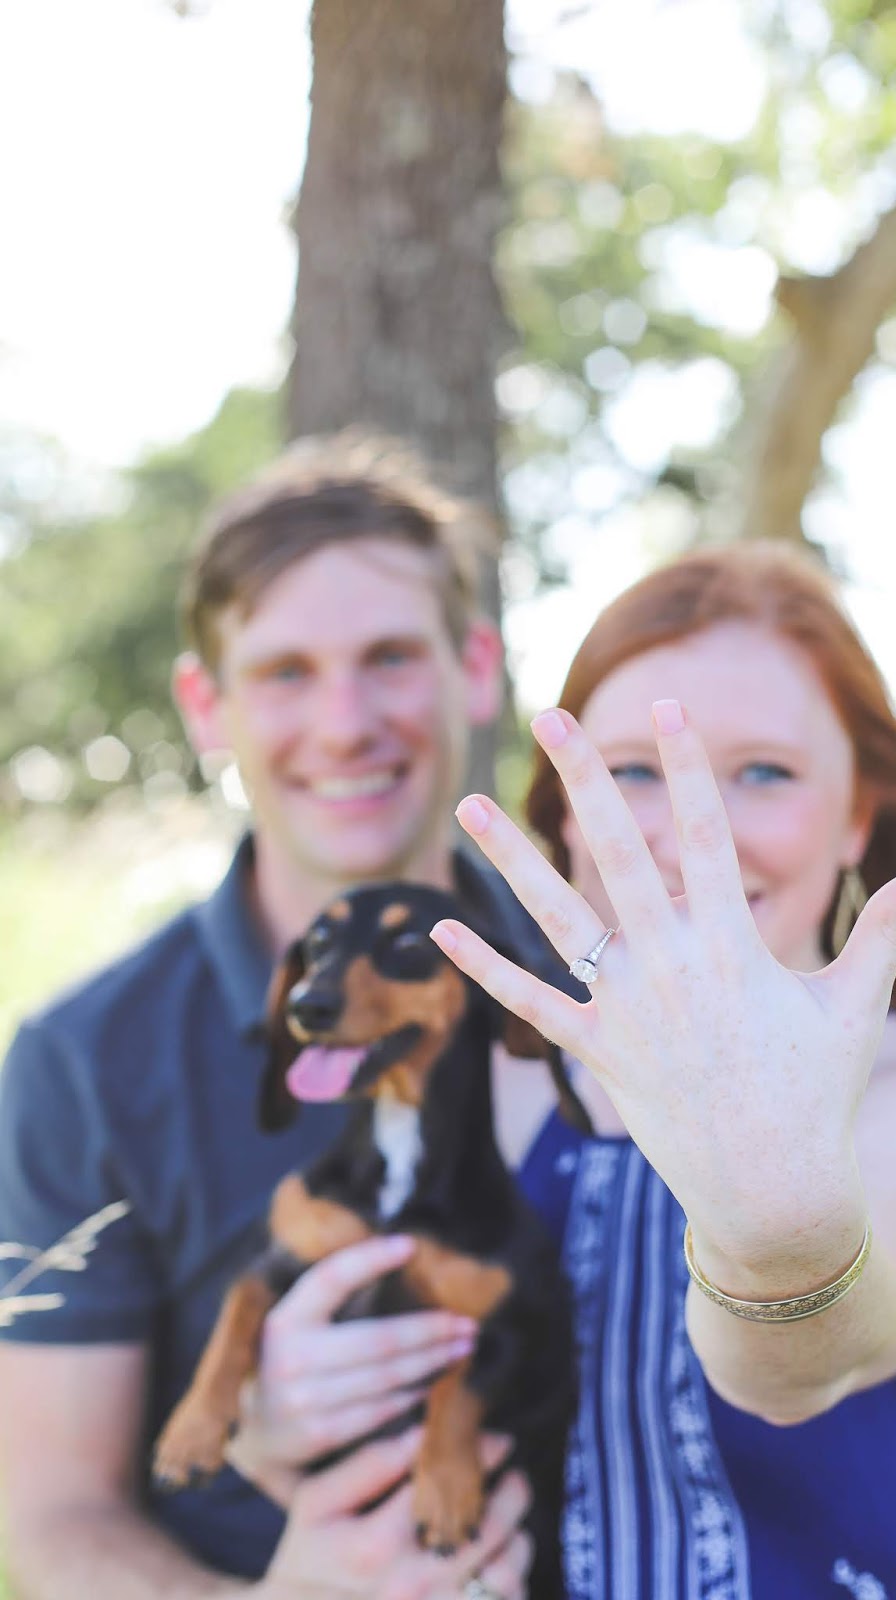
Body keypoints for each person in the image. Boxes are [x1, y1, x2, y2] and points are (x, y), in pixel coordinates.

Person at [238, 542, 896, 1598]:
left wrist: (777, 1233)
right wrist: (277, 1434)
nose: (688, 832)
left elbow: (804, 1367)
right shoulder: (479, 1092)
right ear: (563, 815)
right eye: (629, 770)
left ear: (857, 813)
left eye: (763, 771)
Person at [0, 431, 544, 1600]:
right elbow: (51, 1513)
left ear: (478, 666)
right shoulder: (83, 1062)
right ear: (207, 704)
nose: (344, 722)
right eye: (286, 670)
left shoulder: (605, 982)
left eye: (391, 656)